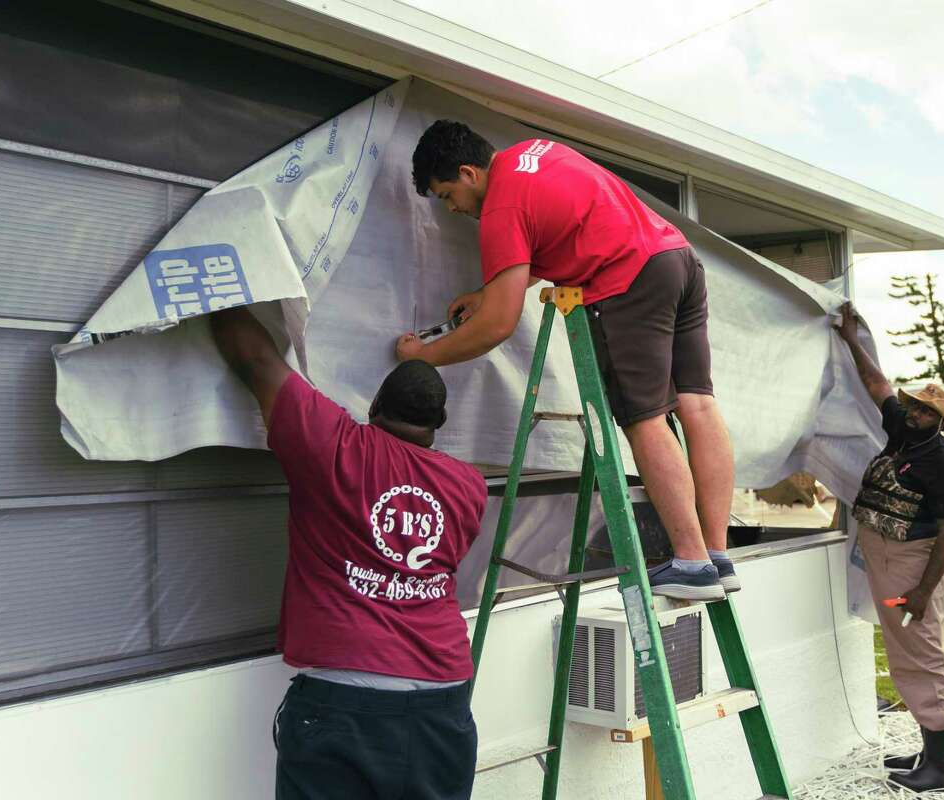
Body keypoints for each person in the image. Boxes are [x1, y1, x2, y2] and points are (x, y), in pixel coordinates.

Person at [396, 120, 737, 602]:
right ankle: (717, 556)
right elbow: (562, 229)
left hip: (628, 280)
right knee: (697, 404)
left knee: (645, 419)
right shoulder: (534, 154)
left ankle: (691, 563)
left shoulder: (501, 207)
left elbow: (498, 325)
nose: (452, 208)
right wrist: (486, 291)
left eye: (448, 194)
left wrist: (423, 358)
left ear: (469, 173)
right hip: (675, 258)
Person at [207, 306, 487, 800]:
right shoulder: (469, 487)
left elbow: (254, 358)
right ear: (439, 423)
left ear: (374, 402)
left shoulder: (333, 445)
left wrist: (223, 291)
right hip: (442, 701)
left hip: (344, 703)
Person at [834, 303, 944, 793]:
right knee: (905, 651)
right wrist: (852, 339)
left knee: (922, 653)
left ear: (941, 420)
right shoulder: (903, 431)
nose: (914, 412)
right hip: (887, 557)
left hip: (912, 566)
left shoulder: (941, 462)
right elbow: (878, 386)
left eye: (925, 410)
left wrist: (920, 592)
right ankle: (928, 750)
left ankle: (938, 770)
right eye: (913, 405)